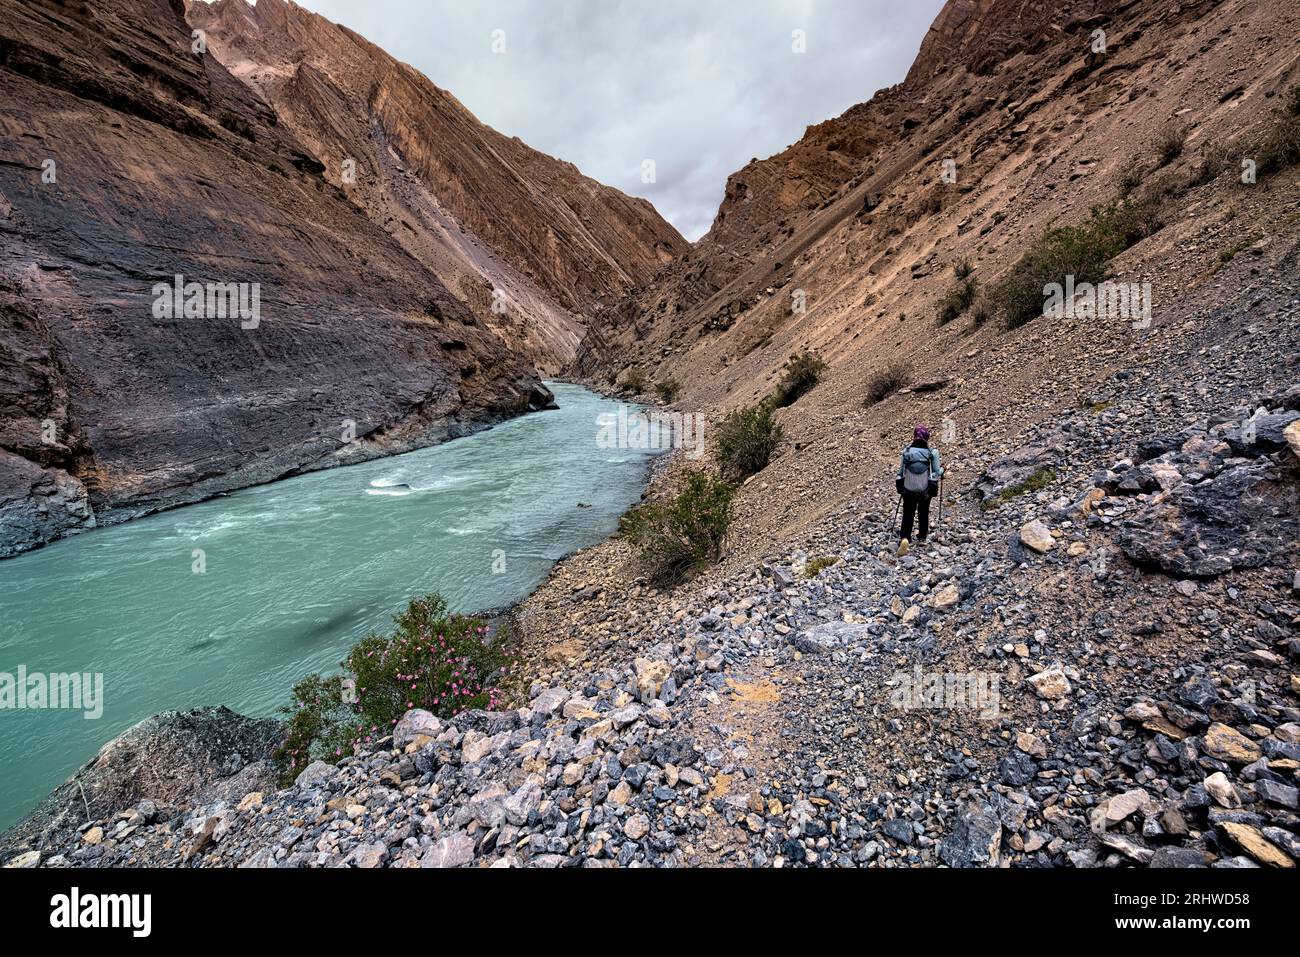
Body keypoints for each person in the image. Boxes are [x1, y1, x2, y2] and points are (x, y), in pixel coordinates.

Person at [895, 425, 943, 552]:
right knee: (923, 511)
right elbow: (936, 472)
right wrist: (943, 471)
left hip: (908, 488)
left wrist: (900, 486)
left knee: (908, 512)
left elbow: (901, 472)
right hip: (925, 489)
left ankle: (905, 537)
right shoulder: (932, 453)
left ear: (914, 436)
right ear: (927, 437)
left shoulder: (906, 451)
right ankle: (922, 537)